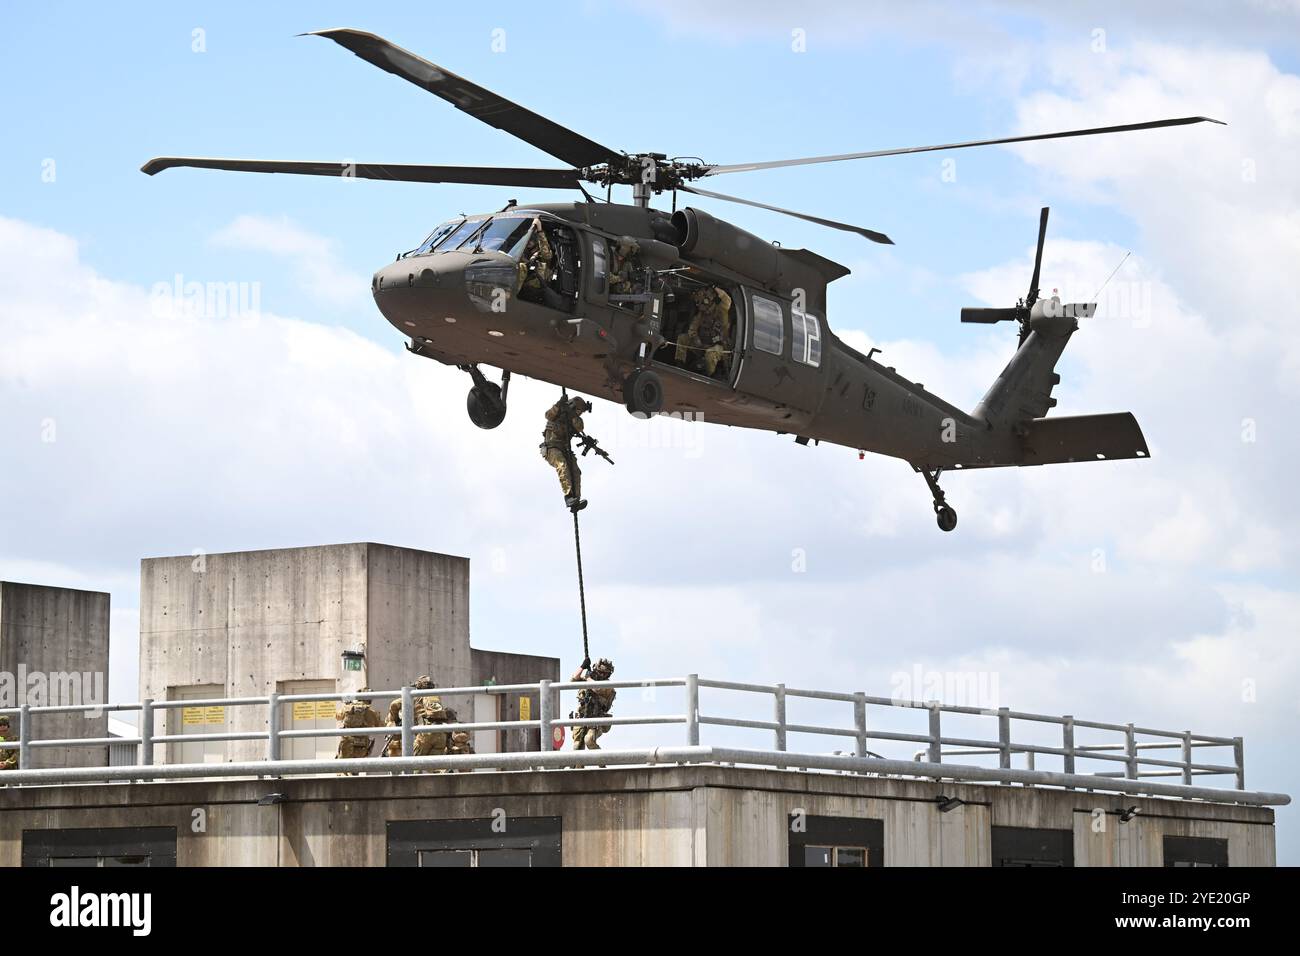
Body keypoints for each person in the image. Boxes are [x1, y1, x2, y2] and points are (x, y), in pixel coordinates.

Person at [540, 395, 592, 512]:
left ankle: (576, 500)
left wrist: (572, 415)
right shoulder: (558, 412)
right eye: (579, 410)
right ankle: (568, 497)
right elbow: (548, 415)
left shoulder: (574, 419)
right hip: (552, 448)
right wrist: (559, 404)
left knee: (575, 472)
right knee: (562, 464)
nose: (580, 413)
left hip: (565, 450)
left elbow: (580, 427)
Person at [675, 286, 733, 378]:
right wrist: (695, 338)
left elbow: (727, 299)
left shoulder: (721, 310)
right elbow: (692, 329)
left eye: (702, 302)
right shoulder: (701, 314)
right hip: (702, 344)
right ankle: (680, 365)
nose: (700, 306)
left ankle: (710, 377)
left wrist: (714, 287)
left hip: (720, 346)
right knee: (682, 338)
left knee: (710, 354)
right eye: (698, 303)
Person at [570, 657, 616, 751]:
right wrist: (583, 666)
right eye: (600, 672)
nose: (602, 675)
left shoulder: (608, 686)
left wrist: (588, 678)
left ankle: (601, 763)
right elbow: (573, 680)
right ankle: (578, 765)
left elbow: (597, 688)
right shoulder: (588, 679)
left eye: (605, 673)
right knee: (577, 746)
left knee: (589, 740)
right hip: (581, 717)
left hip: (596, 719)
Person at [516, 218, 554, 304]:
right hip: (524, 286)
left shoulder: (542, 255)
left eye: (532, 238)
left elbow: (547, 255)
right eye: (528, 238)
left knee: (522, 267)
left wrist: (539, 230)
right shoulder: (523, 253)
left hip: (537, 286)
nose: (529, 241)